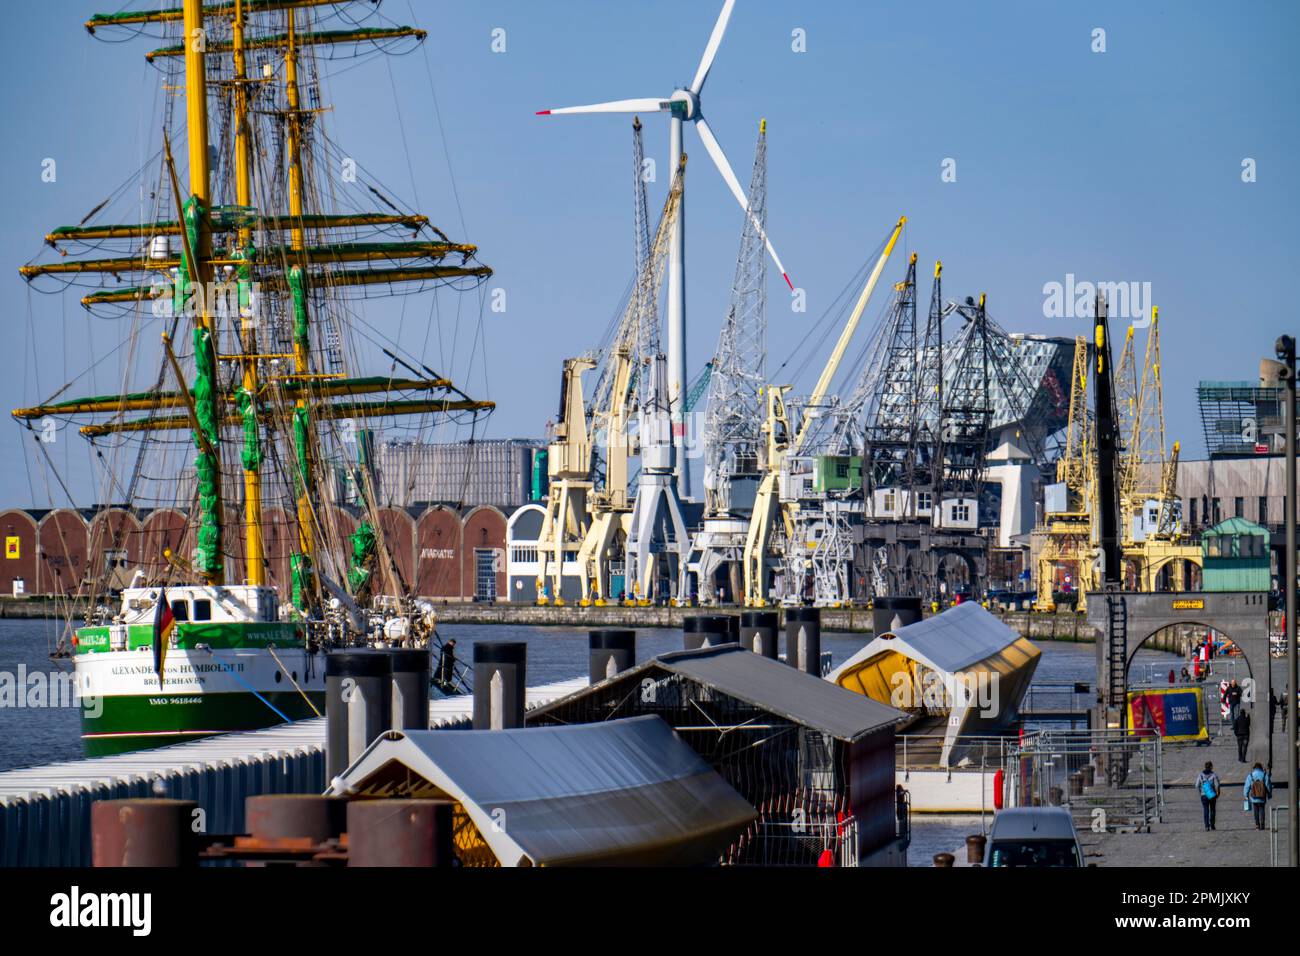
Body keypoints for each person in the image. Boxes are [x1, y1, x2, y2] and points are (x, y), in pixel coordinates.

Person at [1243, 762, 1273, 831]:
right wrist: (1269, 795)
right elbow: (1268, 785)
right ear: (1261, 768)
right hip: (1262, 796)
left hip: (1254, 796)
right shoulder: (1264, 775)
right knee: (1262, 809)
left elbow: (1246, 786)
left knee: (1256, 810)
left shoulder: (1250, 775)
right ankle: (1262, 824)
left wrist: (1246, 795)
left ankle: (1257, 825)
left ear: (1254, 768)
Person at [1195, 761, 1221, 831]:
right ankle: (1212, 825)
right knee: (1212, 810)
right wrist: (1218, 793)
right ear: (1211, 767)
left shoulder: (1200, 775)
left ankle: (1206, 826)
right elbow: (1217, 785)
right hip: (1212, 795)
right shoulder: (1214, 775)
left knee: (1206, 810)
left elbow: (1197, 785)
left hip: (1204, 795)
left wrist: (1200, 792)